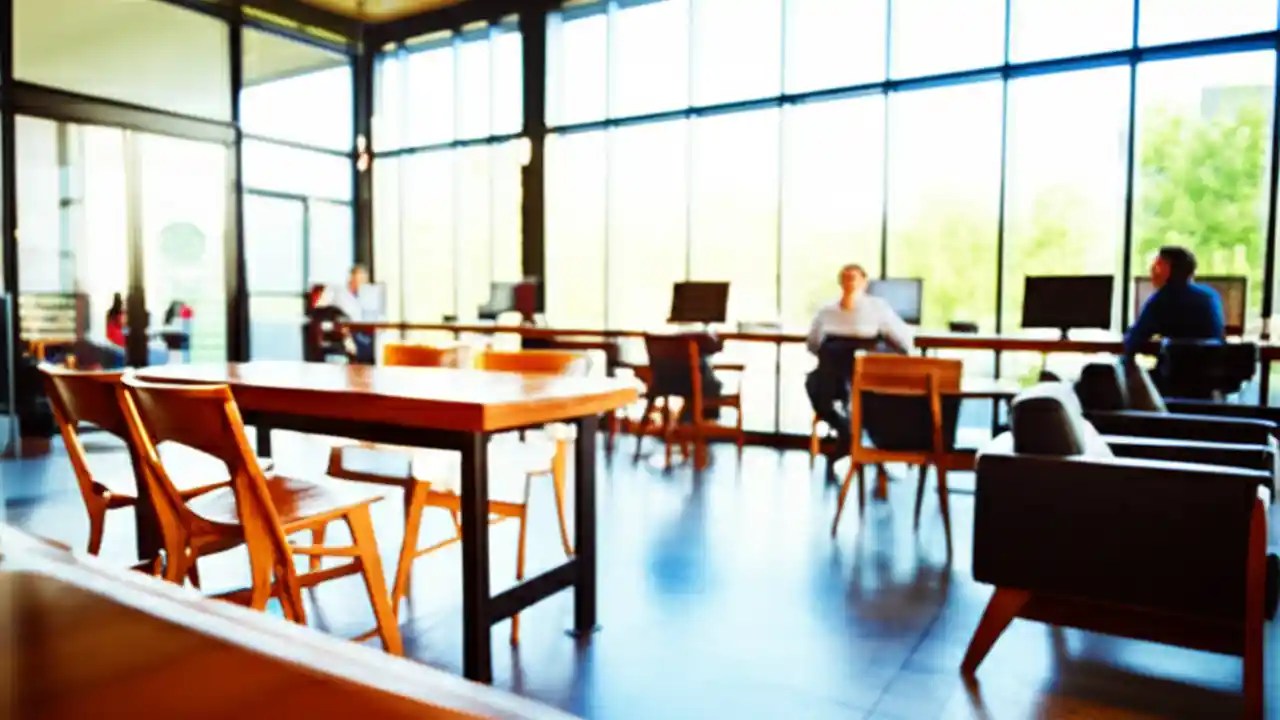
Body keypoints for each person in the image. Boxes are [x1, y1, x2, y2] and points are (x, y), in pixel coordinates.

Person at [804, 264, 914, 458]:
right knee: (813, 384)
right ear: (840, 282)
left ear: (864, 282)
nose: (850, 283)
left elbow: (903, 339)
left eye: (854, 278)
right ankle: (845, 430)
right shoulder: (826, 311)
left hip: (866, 376)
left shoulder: (878, 308)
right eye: (845, 278)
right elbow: (812, 344)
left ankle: (870, 438)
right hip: (831, 375)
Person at [1123, 245, 1225, 357]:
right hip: (1213, 370)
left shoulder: (1162, 299)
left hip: (1176, 370)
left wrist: (1130, 332)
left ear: (1170, 270)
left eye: (1158, 266)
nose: (1152, 270)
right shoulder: (1211, 295)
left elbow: (1134, 340)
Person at [318, 265, 377, 364]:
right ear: (352, 278)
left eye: (364, 280)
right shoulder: (337, 290)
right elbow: (320, 309)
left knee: (373, 342)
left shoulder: (365, 298)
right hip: (344, 331)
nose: (363, 283)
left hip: (361, 332)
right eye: (360, 279)